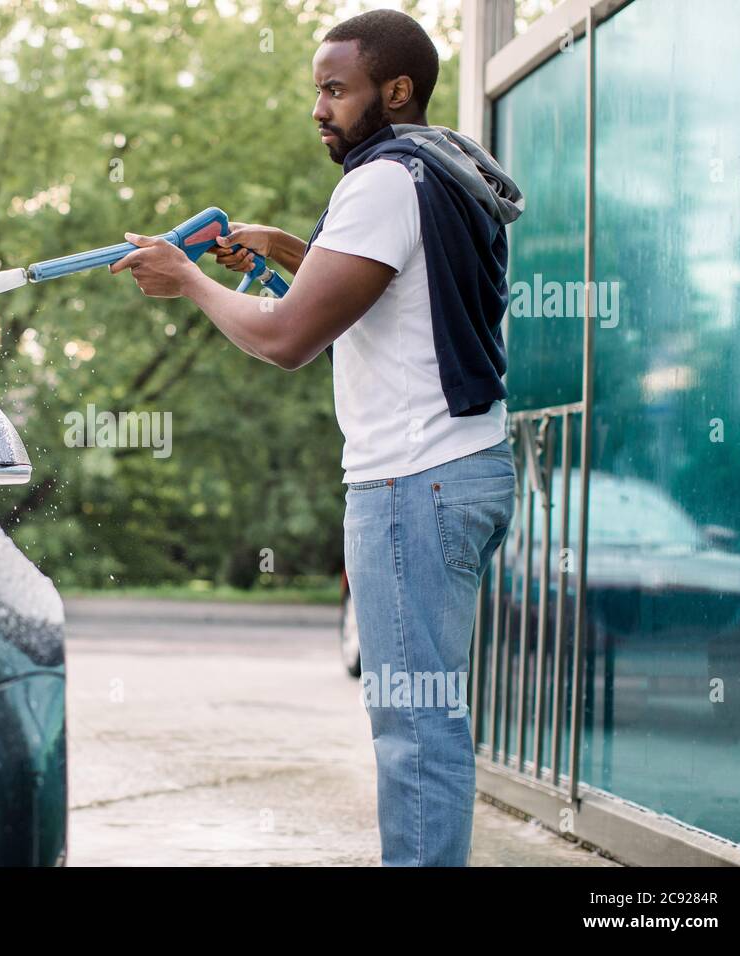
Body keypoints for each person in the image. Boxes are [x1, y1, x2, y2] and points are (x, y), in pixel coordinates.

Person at [109, 8, 523, 867]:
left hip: (414, 482)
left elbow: (287, 338)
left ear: (395, 89)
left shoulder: (379, 183)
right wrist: (293, 249)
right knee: (428, 714)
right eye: (316, 91)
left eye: (336, 89)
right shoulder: (438, 170)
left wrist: (186, 280)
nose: (319, 109)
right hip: (463, 470)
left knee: (414, 726)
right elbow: (388, 298)